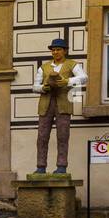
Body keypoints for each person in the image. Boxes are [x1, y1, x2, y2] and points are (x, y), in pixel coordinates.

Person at [32, 37, 86, 174]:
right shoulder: (44, 67)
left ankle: (62, 166)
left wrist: (67, 81)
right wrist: (43, 88)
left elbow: (84, 77)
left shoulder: (72, 64)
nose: (55, 52)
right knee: (42, 136)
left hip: (63, 104)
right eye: (53, 50)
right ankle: (40, 166)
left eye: (58, 50)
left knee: (63, 135)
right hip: (45, 104)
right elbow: (34, 87)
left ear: (65, 51)